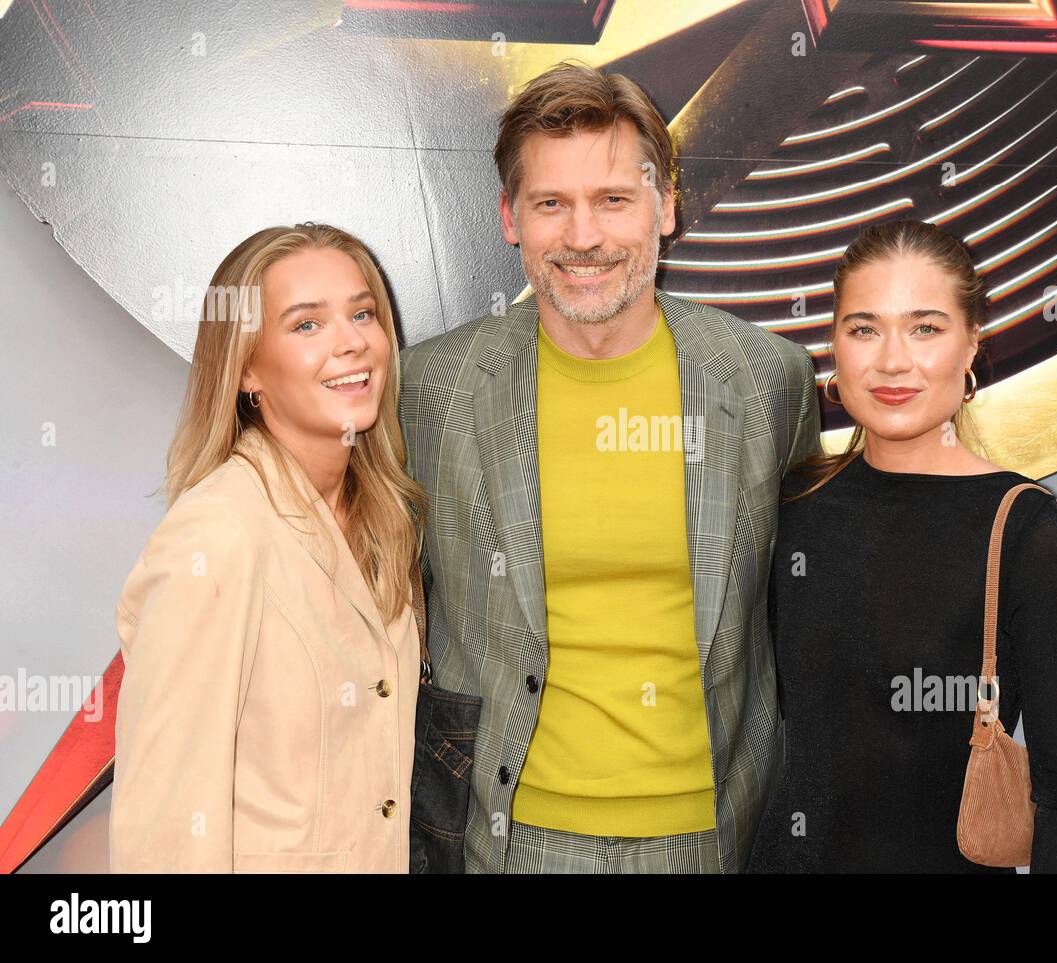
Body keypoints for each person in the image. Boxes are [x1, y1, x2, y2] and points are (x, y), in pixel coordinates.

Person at [400, 61, 822, 874]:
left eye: (614, 200)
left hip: (712, 837)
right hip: (505, 837)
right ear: (508, 217)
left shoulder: (769, 380)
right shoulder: (430, 389)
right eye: (551, 202)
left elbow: (800, 609)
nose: (583, 236)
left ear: (667, 206)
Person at [747, 218, 1057, 873]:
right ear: (833, 343)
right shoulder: (793, 506)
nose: (891, 360)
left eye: (926, 327)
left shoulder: (1025, 528)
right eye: (863, 327)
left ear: (971, 344)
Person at [110, 223, 428, 872]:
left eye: (362, 312)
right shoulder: (219, 534)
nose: (352, 342)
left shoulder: (381, 519)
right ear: (247, 367)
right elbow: (163, 828)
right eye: (306, 325)